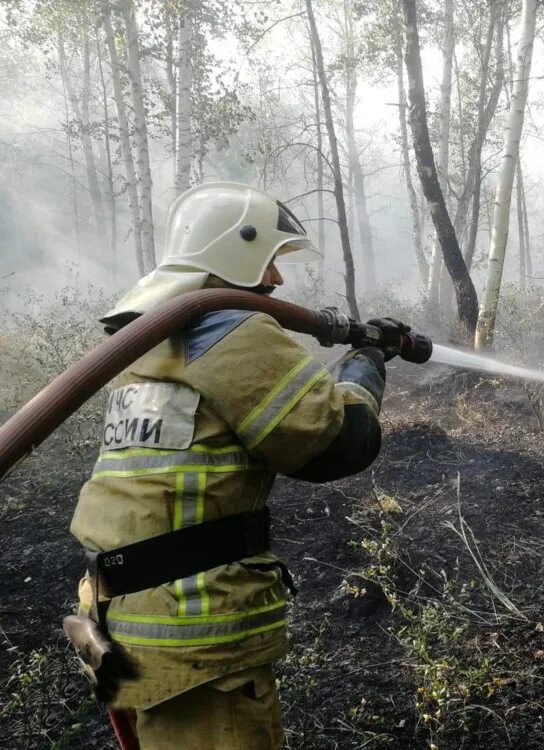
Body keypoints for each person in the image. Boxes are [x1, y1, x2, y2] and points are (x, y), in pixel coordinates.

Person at [68, 182, 389, 749]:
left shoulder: (149, 340)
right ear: (234, 253)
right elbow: (337, 444)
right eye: (270, 261)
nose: (278, 281)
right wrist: (365, 366)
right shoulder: (227, 330)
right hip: (195, 635)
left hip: (124, 615)